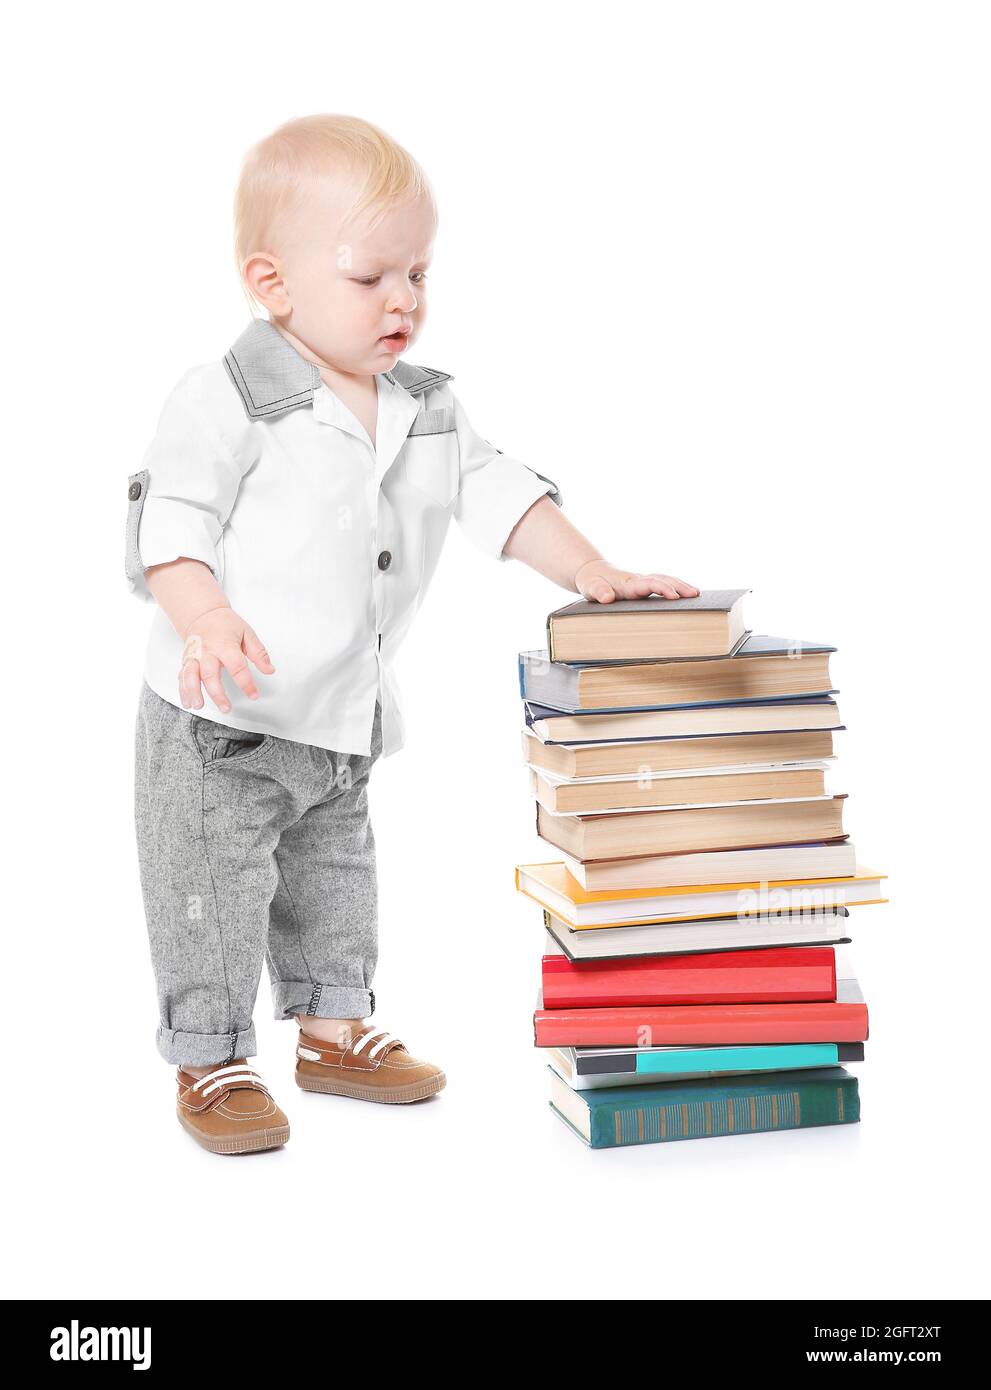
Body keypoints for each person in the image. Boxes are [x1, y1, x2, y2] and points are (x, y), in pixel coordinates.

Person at [126, 113, 698, 1154]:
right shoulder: (225, 402)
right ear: (273, 281)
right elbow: (172, 521)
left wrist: (591, 569)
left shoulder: (427, 409)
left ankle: (334, 1029)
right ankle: (211, 1057)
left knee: (335, 877)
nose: (404, 300)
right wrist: (202, 612)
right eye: (371, 277)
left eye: (419, 274)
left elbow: (500, 495)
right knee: (211, 888)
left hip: (341, 717)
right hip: (220, 720)